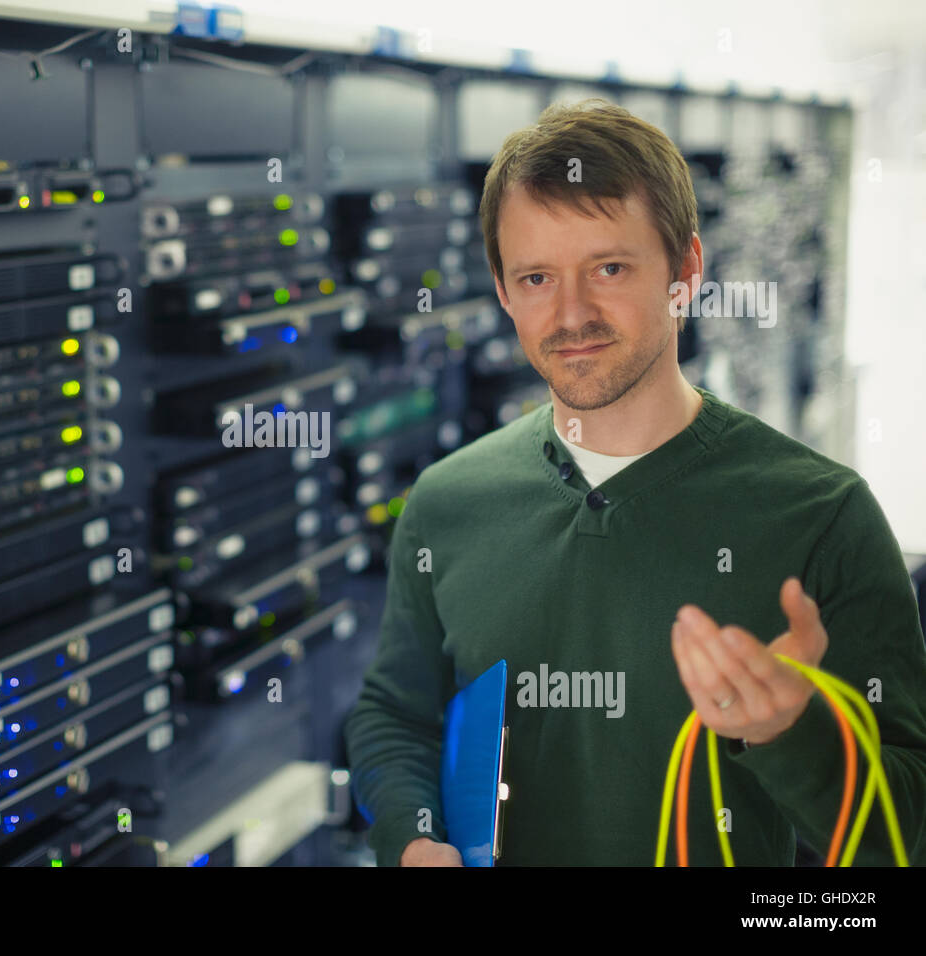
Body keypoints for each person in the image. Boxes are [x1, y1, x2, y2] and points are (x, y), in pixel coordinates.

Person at [344, 99, 926, 866]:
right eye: (537, 277)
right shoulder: (448, 503)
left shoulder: (823, 513)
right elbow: (396, 714)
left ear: (685, 271)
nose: (571, 312)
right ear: (502, 290)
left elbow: (903, 829)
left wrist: (789, 735)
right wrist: (414, 836)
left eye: (608, 267)